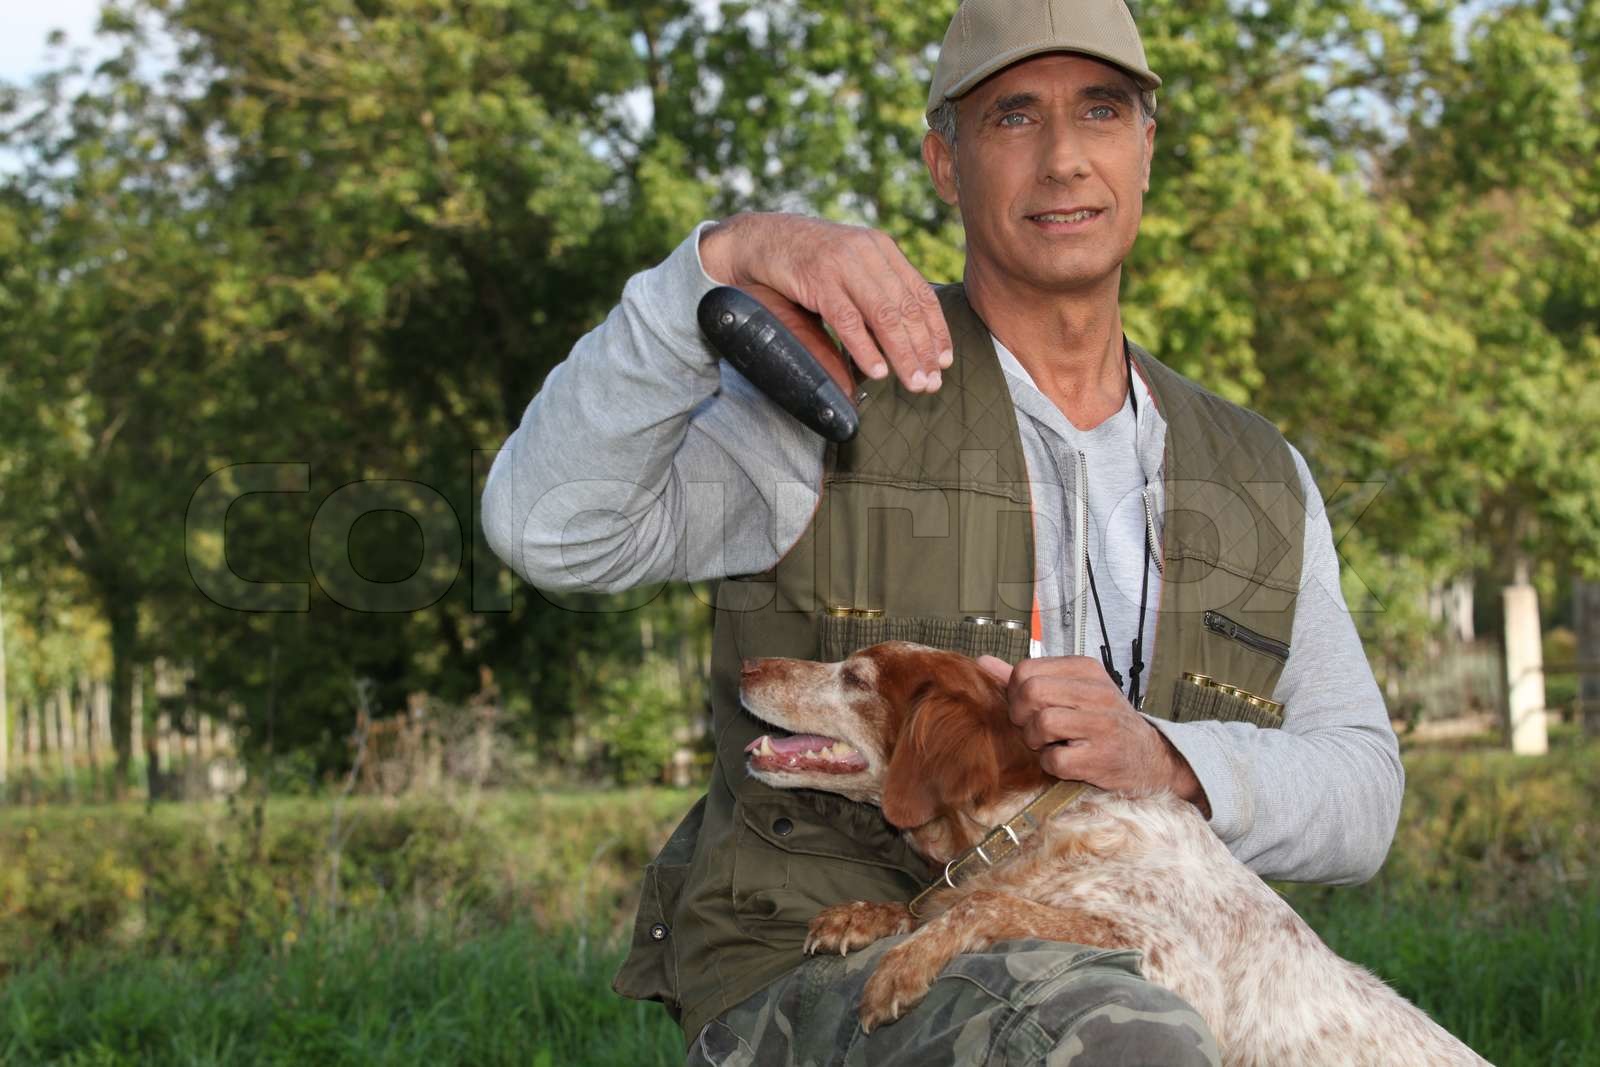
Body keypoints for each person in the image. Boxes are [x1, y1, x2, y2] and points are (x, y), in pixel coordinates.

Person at [482, 0, 1404, 1062]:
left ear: (1146, 147)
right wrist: (715, 264)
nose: (1063, 159)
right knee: (1112, 1039)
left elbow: (1361, 794)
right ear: (943, 162)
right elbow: (546, 529)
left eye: (1099, 111)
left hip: (1154, 959)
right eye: (1014, 117)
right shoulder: (829, 395)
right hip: (831, 967)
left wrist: (1166, 756)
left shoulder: (1254, 471)